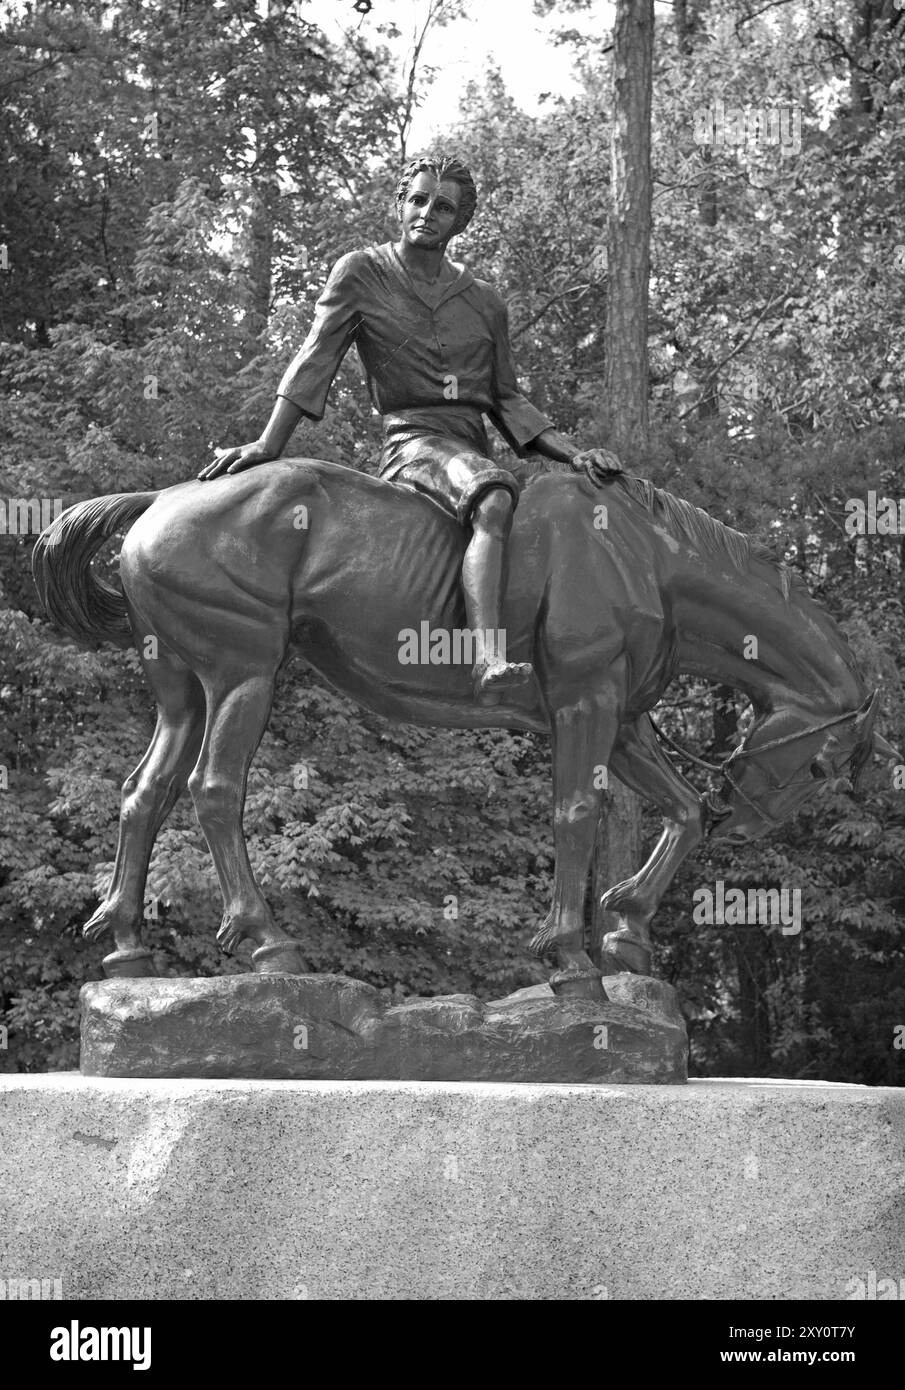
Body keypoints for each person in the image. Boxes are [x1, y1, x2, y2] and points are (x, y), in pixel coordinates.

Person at [199, 154, 621, 700]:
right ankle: (487, 656)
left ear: (459, 221)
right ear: (400, 205)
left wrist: (574, 454)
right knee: (495, 495)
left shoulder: (486, 301)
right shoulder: (361, 272)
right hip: (414, 442)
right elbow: (314, 360)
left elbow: (507, 397)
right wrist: (268, 444)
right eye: (418, 200)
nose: (427, 213)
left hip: (470, 445)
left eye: (442, 206)